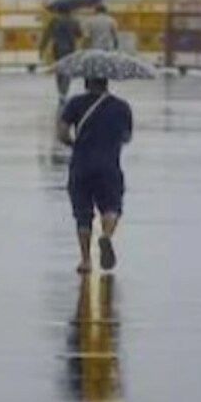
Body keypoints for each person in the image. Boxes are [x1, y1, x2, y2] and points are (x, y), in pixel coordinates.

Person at [57, 77, 133, 274]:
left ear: (86, 82)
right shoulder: (122, 107)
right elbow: (127, 137)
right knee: (112, 206)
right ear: (107, 81)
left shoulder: (75, 103)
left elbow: (62, 133)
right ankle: (106, 235)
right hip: (109, 165)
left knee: (83, 214)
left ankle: (85, 260)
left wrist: (74, 144)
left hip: (81, 164)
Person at [40, 8, 84, 103]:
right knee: (67, 70)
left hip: (57, 49)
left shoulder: (54, 21)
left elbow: (47, 35)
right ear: (70, 12)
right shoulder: (74, 21)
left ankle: (60, 92)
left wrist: (42, 47)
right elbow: (79, 35)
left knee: (59, 70)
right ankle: (64, 92)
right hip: (70, 49)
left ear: (59, 12)